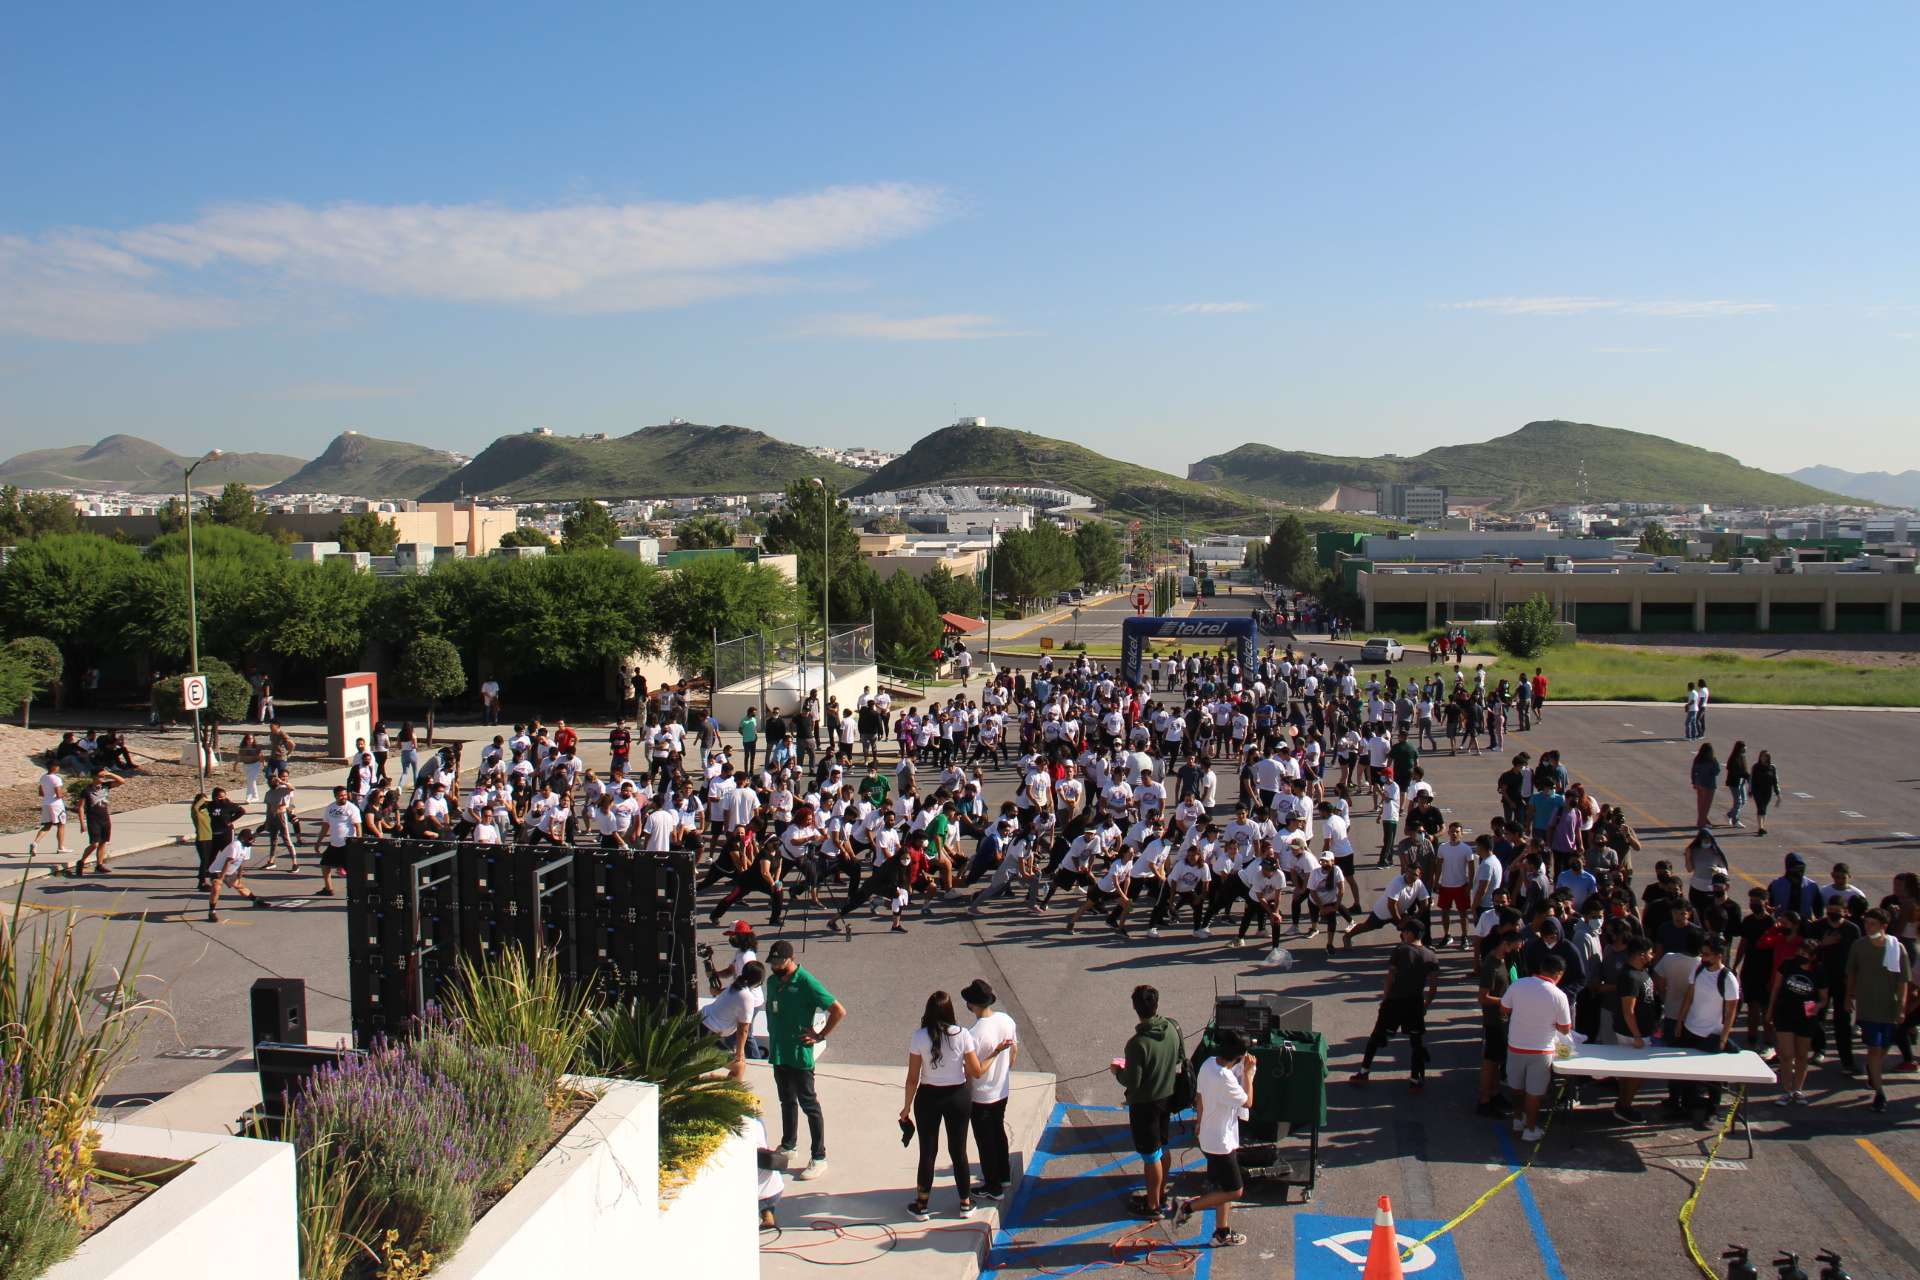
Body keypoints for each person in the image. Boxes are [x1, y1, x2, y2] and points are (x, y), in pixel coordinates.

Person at [901, 990, 1006, 1220]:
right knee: (958, 1151)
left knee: (928, 1152)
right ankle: (965, 1202)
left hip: (928, 1098)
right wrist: (996, 1052)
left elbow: (912, 1078)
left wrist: (906, 1107)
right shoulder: (963, 1034)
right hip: (957, 1097)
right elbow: (976, 1071)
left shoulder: (919, 1037)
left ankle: (922, 1204)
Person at [764, 939, 845, 1178]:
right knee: (786, 1101)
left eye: (779, 962)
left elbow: (838, 1010)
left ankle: (819, 1156)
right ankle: (789, 1145)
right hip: (779, 1053)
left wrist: (820, 1035)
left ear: (790, 960)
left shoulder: (806, 982)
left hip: (799, 1055)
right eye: (773, 962)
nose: (775, 967)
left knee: (809, 1105)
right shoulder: (772, 982)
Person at [1173, 1027, 1254, 1250]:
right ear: (1239, 1056)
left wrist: (1199, 1122)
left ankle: (1222, 1232)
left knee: (1224, 1187)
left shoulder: (1209, 1064)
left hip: (1210, 1136)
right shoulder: (1225, 1078)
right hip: (1221, 1142)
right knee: (1235, 1190)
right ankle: (1187, 1207)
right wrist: (1248, 1074)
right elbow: (1247, 1102)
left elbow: (1200, 1097)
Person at [1112, 984, 1182, 1221]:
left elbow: (1133, 1080)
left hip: (1145, 1104)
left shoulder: (1137, 1043)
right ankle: (1160, 1195)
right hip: (1167, 1096)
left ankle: (1152, 1205)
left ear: (1135, 1008)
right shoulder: (1172, 1028)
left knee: (1150, 1154)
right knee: (1163, 1146)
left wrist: (1118, 1072)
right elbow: (1180, 1057)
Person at [1349, 920, 1440, 1090]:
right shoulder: (1431, 956)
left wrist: (1385, 999)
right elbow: (1433, 988)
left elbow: (1390, 977)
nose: (1402, 934)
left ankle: (1364, 1071)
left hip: (1395, 1001)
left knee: (1376, 1037)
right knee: (1416, 1042)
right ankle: (1416, 1079)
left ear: (1411, 933)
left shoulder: (1401, 950)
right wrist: (1425, 1005)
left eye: (1404, 931)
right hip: (1415, 1003)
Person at [1846, 908, 1913, 1114]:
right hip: (1868, 1007)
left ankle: (1872, 1073)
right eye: (1867, 924)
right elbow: (1852, 972)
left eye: (1873, 924)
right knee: (1874, 1049)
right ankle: (1879, 1092)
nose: (1868, 927)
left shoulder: (1897, 948)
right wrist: (1848, 996)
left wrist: (1901, 1008)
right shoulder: (1859, 946)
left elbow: (1903, 982)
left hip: (1889, 1007)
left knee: (1883, 1048)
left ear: (1884, 926)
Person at [1500, 953, 1572, 1143]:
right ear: (1559, 974)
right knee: (1534, 1093)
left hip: (1515, 1046)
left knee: (1515, 1087)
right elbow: (1565, 1028)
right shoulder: (1559, 995)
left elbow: (1504, 1008)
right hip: (1542, 1051)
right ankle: (1530, 1129)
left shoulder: (1519, 984)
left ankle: (1517, 1119)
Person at [1670, 937, 1739, 1122]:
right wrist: (1680, 1022)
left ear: (1718, 956)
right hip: (1690, 1029)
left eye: (1707, 954)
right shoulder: (1698, 968)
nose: (1703, 957)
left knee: (1712, 1077)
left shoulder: (1728, 979)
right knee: (1686, 1074)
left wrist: (1723, 1038)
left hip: (1710, 1034)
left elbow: (1731, 1011)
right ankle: (1687, 1106)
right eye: (1702, 953)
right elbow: (1689, 996)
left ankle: (1712, 1109)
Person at [962, 980, 1019, 1201]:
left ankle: (993, 1186)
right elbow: (1014, 1050)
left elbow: (972, 1071)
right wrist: (1004, 1071)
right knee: (999, 1132)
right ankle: (1004, 1175)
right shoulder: (1006, 1020)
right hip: (1001, 1090)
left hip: (981, 1095)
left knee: (985, 1141)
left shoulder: (973, 1034)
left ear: (972, 1004)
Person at [1767, 934, 1825, 1106]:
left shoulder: (1819, 971)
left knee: (1801, 1055)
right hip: (1784, 1014)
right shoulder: (1788, 965)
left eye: (1806, 953)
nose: (1801, 955)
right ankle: (1786, 1090)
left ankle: (1797, 1089)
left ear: (1813, 957)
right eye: (1800, 951)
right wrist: (1770, 1010)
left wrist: (1818, 1007)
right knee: (1786, 1055)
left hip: (1806, 1017)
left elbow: (1823, 997)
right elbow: (1776, 988)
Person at [703, 961, 767, 1080]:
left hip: (703, 1026)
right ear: (759, 982)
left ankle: (716, 1081)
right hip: (707, 1036)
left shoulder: (735, 986)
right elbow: (743, 1030)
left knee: (736, 1066)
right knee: (739, 1067)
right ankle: (727, 1091)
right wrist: (740, 1052)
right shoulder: (747, 997)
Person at [68, 769, 126, 877]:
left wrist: (109, 774)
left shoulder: (106, 786)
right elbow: (80, 807)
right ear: (94, 777)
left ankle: (99, 864)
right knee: (94, 844)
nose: (102, 779)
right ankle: (81, 861)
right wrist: (82, 823)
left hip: (105, 817)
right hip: (93, 819)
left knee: (103, 842)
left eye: (103, 777)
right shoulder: (86, 790)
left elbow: (122, 781)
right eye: (100, 777)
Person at [26, 760, 70, 859]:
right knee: (61, 825)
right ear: (54, 767)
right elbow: (58, 794)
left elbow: (41, 793)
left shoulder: (43, 778)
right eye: (58, 766)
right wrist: (64, 794)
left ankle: (35, 843)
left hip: (46, 803)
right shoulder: (56, 779)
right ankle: (61, 847)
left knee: (47, 825)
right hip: (56, 804)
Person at [1688, 743, 1720, 830]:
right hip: (1709, 784)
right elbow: (1717, 771)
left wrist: (1694, 782)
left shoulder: (1698, 759)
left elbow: (1693, 771)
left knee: (1700, 804)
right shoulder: (1712, 760)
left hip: (1699, 783)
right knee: (1706, 805)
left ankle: (1704, 821)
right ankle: (1701, 823)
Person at [1750, 751, 1781, 837]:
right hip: (1757, 791)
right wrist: (1750, 791)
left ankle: (1762, 826)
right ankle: (1760, 828)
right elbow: (1751, 779)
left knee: (1764, 808)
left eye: (1765, 757)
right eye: (1762, 756)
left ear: (1768, 757)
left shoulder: (1772, 767)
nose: (1763, 758)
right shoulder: (1755, 767)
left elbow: (1775, 781)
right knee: (1760, 807)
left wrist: (1778, 794)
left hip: (1767, 791)